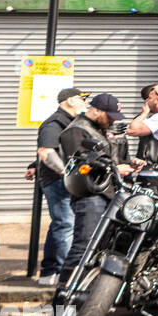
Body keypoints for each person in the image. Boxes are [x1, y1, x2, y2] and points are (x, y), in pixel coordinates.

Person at [57, 94, 139, 286]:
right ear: (96, 110)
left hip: (108, 195)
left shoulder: (98, 129)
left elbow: (106, 158)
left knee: (104, 247)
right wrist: (116, 169)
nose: (111, 121)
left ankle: (90, 296)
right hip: (91, 197)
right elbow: (80, 165)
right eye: (109, 116)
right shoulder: (76, 131)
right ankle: (63, 298)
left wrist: (128, 164)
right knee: (83, 247)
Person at [33, 88, 88, 286]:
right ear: (70, 101)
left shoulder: (70, 122)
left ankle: (50, 272)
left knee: (61, 225)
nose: (85, 103)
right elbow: (46, 151)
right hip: (58, 182)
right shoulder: (54, 123)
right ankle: (65, 276)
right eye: (82, 99)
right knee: (66, 225)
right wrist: (66, 173)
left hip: (67, 181)